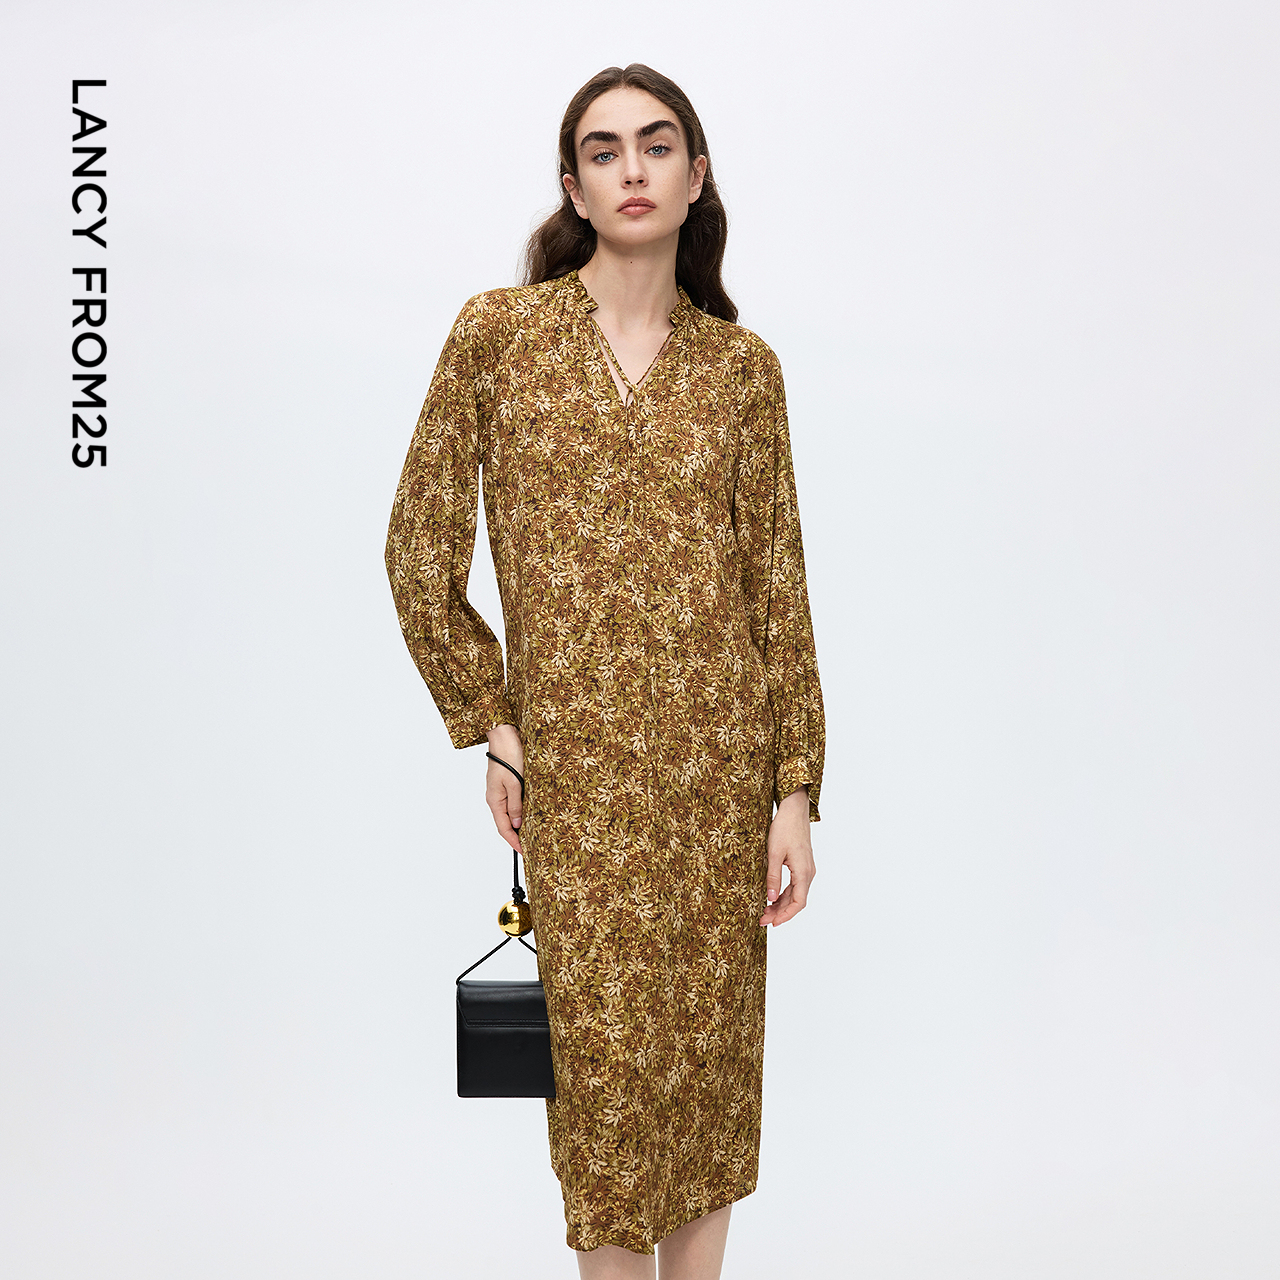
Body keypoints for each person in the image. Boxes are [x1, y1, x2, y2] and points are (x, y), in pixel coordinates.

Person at [384, 63, 826, 1280]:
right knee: (603, 1107)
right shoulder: (499, 337)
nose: (631, 168)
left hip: (716, 787)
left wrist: (792, 789)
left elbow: (776, 594)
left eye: (656, 144)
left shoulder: (741, 371)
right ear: (573, 187)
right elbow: (417, 549)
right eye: (602, 149)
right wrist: (493, 720)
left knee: (706, 1090)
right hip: (579, 789)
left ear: (695, 176)